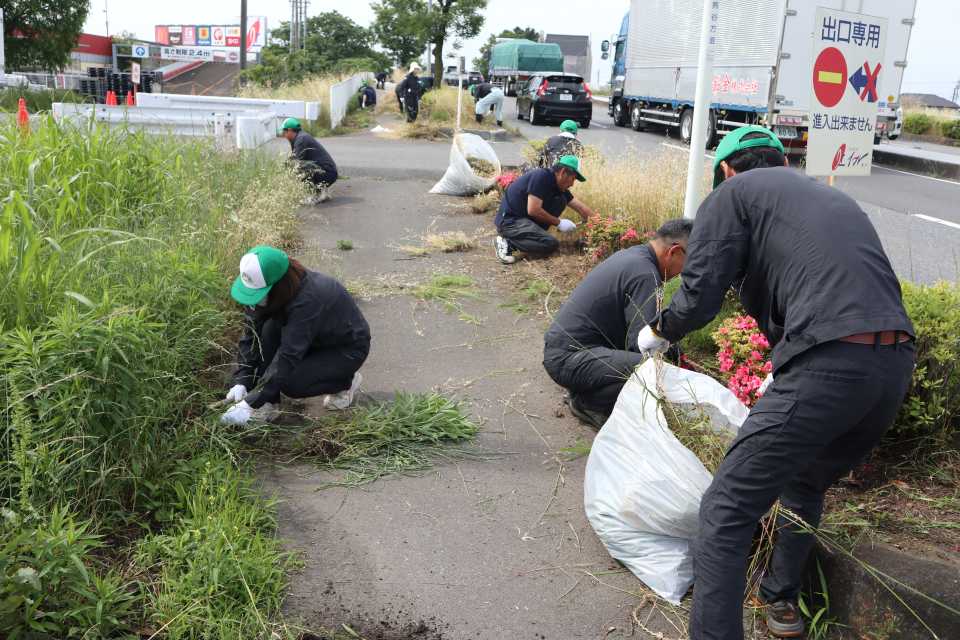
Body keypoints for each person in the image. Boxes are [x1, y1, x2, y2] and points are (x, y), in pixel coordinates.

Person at [635, 125, 915, 640]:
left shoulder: (732, 195)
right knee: (803, 481)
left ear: (725, 170)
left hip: (827, 361)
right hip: (892, 366)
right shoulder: (823, 196)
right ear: (782, 162)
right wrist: (783, 370)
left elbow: (700, 294)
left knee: (725, 509)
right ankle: (781, 602)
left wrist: (660, 330)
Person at [543, 219, 691, 428]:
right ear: (674, 251)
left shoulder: (634, 256)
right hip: (570, 358)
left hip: (566, 353)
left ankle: (587, 391)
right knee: (653, 370)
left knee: (656, 363)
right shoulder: (646, 275)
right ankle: (589, 403)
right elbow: (642, 346)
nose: (684, 272)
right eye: (689, 262)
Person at [221, 245, 371, 426]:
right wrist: (242, 380)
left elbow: (288, 355)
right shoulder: (273, 294)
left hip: (344, 349)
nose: (254, 301)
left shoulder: (309, 300)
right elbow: (251, 334)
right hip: (310, 340)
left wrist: (249, 402)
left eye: (258, 295)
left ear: (277, 284)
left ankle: (345, 382)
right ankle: (268, 402)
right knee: (267, 330)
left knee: (292, 383)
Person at [493, 155, 595, 265]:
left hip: (523, 220)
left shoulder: (559, 187)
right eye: (573, 178)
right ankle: (507, 243)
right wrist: (559, 223)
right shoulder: (541, 177)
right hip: (510, 221)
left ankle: (531, 236)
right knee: (550, 244)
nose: (572, 184)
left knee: (561, 200)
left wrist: (600, 224)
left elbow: (581, 208)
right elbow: (533, 210)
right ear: (563, 172)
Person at [281, 117, 338, 204]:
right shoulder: (300, 137)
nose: (283, 135)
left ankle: (313, 196)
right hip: (329, 172)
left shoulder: (301, 139)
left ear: (289, 130)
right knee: (301, 165)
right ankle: (323, 193)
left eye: (284, 132)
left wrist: (284, 173)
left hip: (327, 173)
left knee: (300, 167)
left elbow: (295, 161)